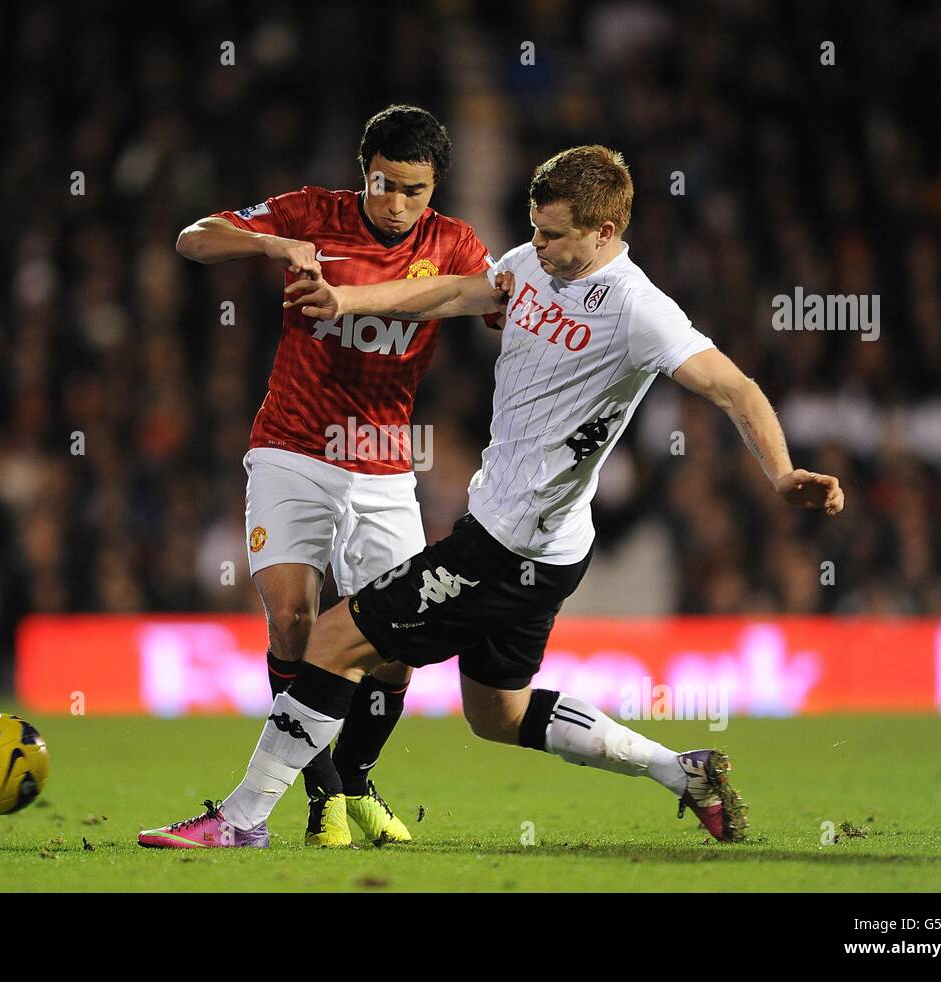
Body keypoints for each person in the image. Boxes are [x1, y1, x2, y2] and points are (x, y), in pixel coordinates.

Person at [139, 144, 844, 849]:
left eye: (553, 233)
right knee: (496, 714)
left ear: (604, 233)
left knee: (329, 640)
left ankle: (241, 819)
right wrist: (345, 298)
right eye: (534, 228)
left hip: (510, 546)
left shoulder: (640, 310)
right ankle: (678, 770)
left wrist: (781, 474)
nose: (534, 245)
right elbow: (450, 292)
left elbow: (734, 387)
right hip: (547, 545)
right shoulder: (533, 264)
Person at [147, 106, 499, 848]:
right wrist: (276, 243)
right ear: (360, 168)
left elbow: (494, 299)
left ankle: (358, 779)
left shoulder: (455, 243)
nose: (397, 204)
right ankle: (323, 799)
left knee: (396, 646)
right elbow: (192, 238)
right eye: (383, 184)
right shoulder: (315, 212)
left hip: (384, 468)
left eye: (414, 190)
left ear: (435, 187)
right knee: (294, 621)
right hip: (292, 450)